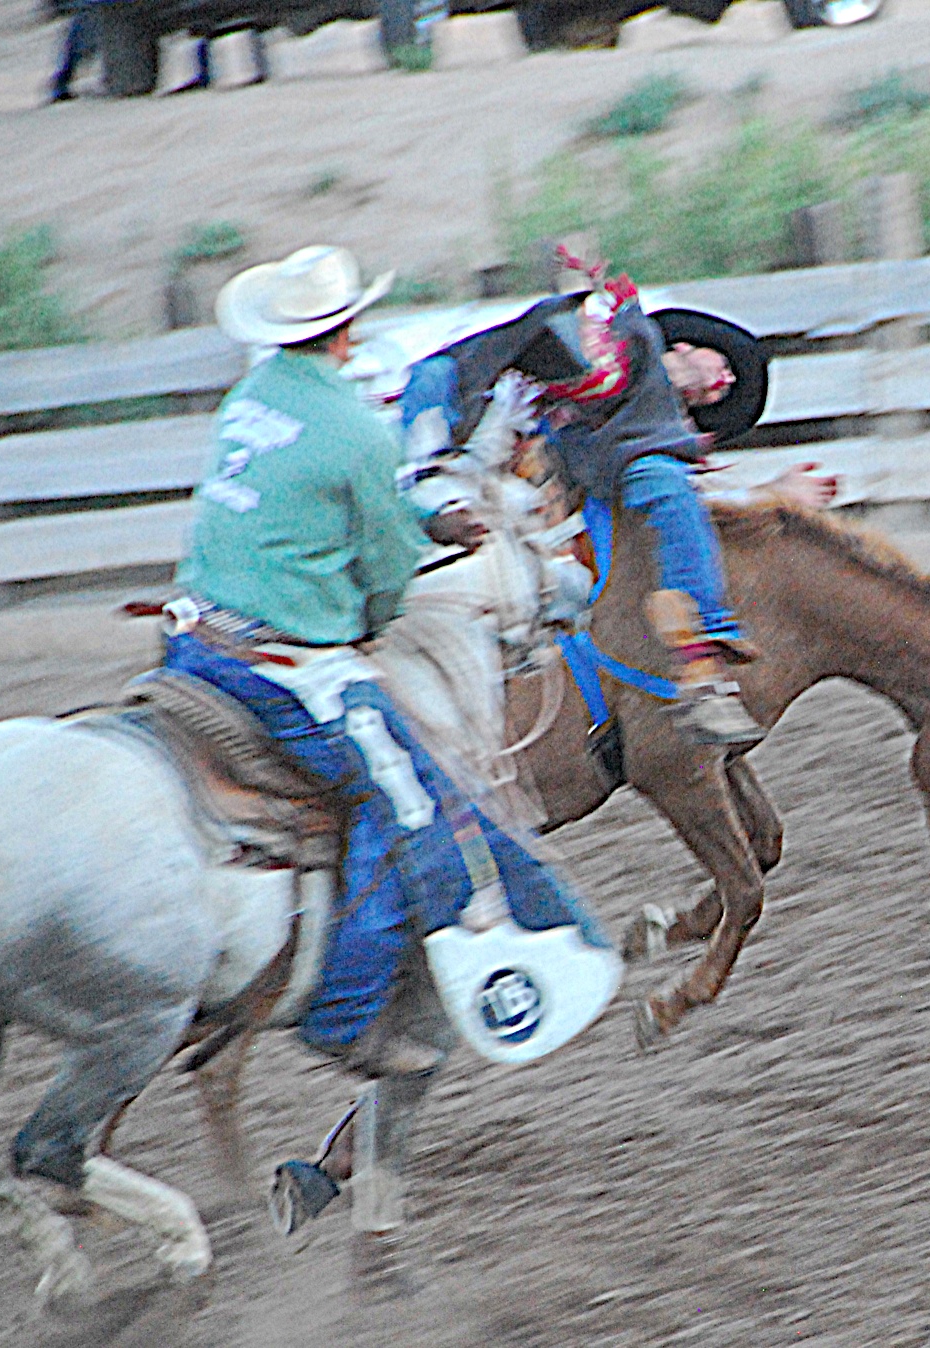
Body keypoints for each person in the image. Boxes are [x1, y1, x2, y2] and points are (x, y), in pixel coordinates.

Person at [165, 244, 603, 1074]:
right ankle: (346, 1012)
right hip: (273, 661)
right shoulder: (359, 427)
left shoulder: (249, 401)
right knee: (406, 800)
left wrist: (424, 522)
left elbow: (316, 499)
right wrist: (379, 607)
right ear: (348, 329)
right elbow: (386, 575)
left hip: (190, 639)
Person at [399, 254, 783, 746]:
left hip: (545, 476)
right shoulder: (624, 341)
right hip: (471, 445)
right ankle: (699, 651)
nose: (725, 384)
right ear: (685, 345)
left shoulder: (652, 435)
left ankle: (690, 663)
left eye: (717, 399)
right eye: (724, 366)